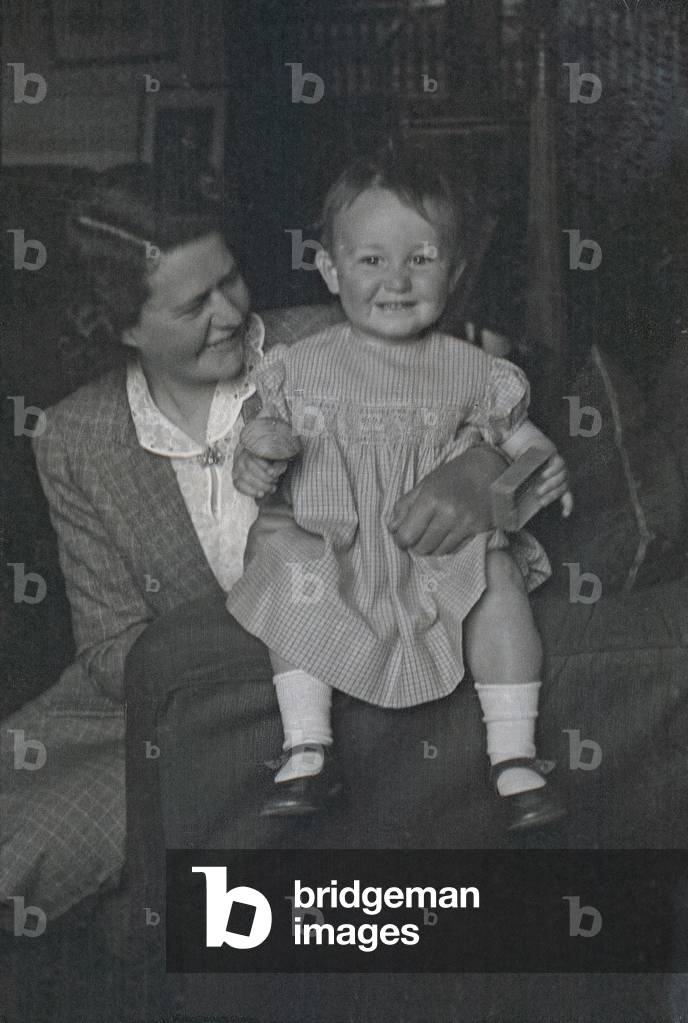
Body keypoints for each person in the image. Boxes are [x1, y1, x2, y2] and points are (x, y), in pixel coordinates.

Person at [0, 165, 508, 927]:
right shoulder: (76, 437)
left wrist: (480, 465)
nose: (233, 311)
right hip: (129, 705)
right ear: (122, 327)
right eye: (193, 304)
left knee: (21, 852)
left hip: (276, 710)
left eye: (230, 279)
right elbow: (109, 645)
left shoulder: (333, 340)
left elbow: (496, 382)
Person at [228, 147, 573, 830]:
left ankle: (514, 753)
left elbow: (525, 444)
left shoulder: (476, 371)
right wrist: (258, 456)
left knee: (499, 574)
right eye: (371, 260)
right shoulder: (296, 368)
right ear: (330, 268)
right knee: (283, 558)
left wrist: (542, 463)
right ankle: (307, 746)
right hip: (338, 549)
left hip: (438, 553)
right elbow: (258, 443)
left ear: (457, 270)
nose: (398, 279)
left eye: (422, 258)